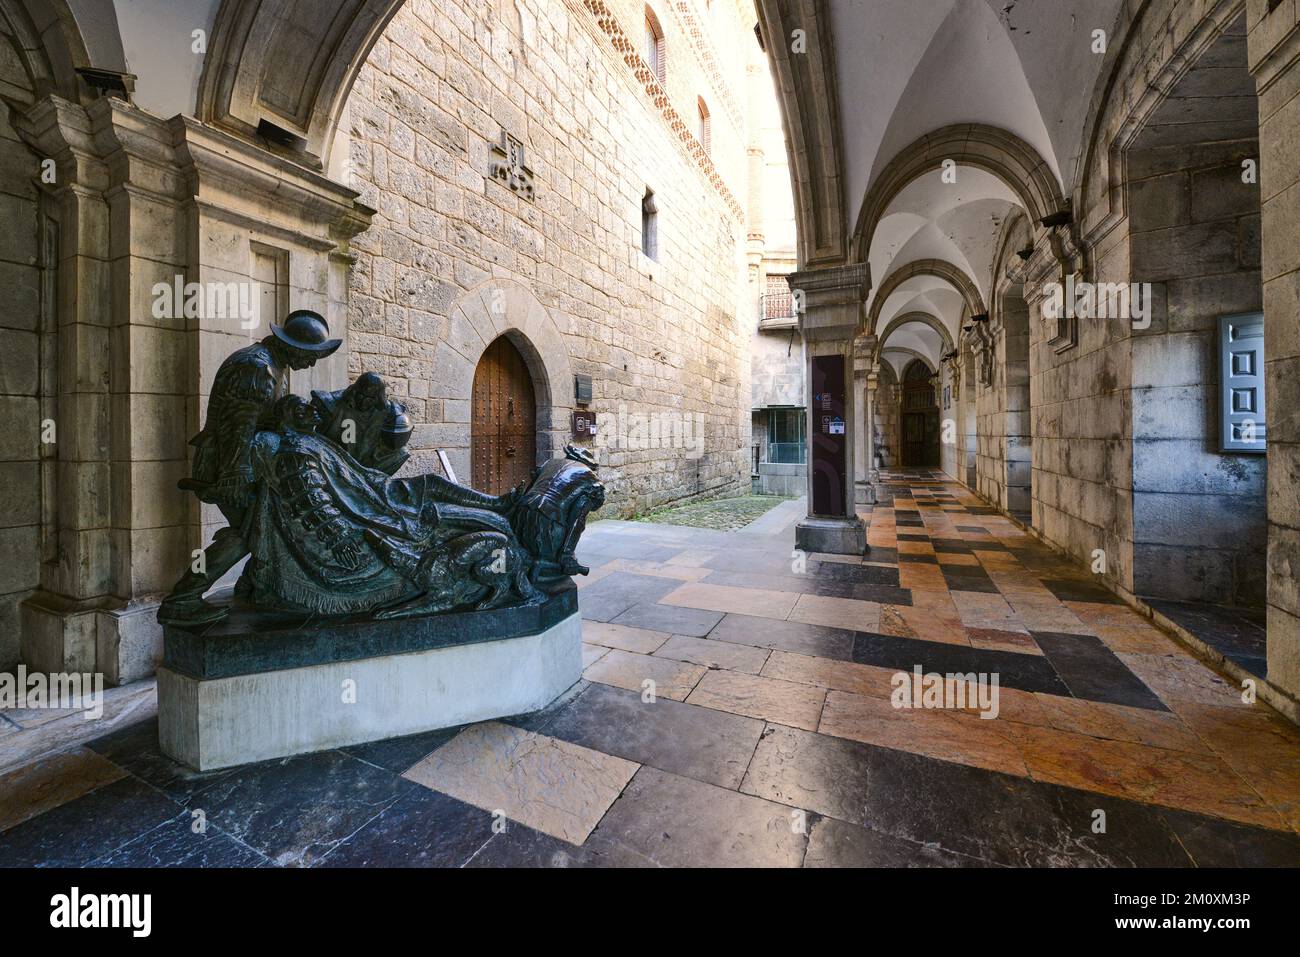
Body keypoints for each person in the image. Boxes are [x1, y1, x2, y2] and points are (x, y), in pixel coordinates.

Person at [158, 310, 341, 626]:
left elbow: (261, 420)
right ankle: (183, 597)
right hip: (230, 465)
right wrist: (235, 476)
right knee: (246, 535)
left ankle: (253, 584)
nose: (311, 363)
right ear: (292, 346)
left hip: (247, 463)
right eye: (310, 355)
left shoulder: (274, 364)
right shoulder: (256, 367)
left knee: (265, 525)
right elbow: (238, 428)